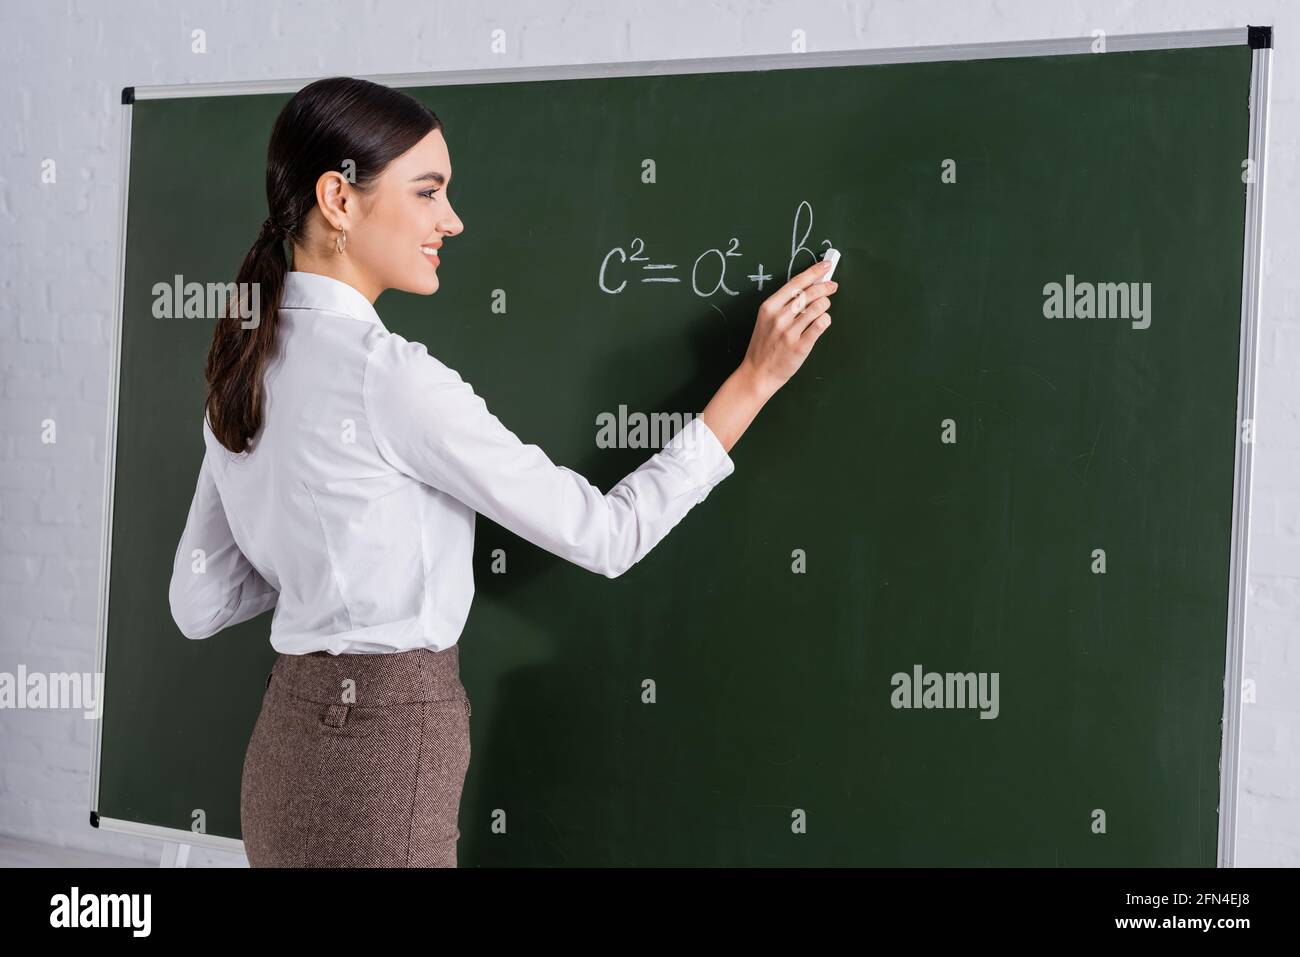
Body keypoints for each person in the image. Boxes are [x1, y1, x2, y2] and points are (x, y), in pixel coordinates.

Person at [167, 76, 839, 868]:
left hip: (283, 753)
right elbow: (609, 534)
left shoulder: (238, 367)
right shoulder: (391, 378)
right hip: (385, 757)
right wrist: (752, 382)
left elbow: (197, 601)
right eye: (428, 192)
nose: (450, 220)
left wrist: (330, 549)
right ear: (339, 201)